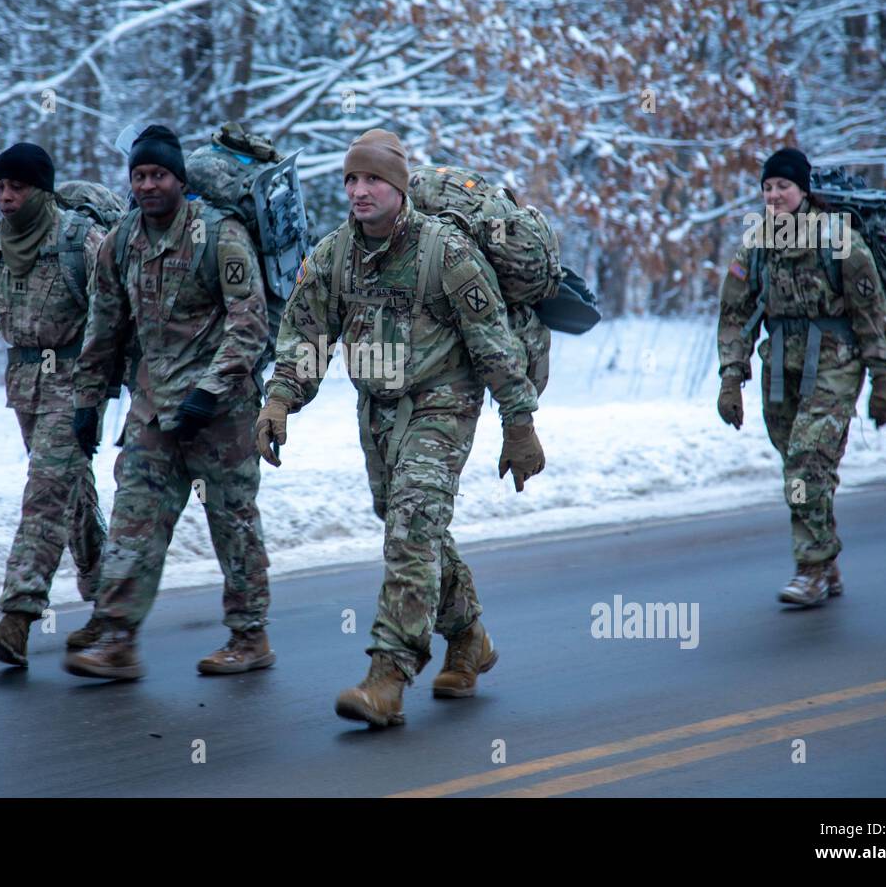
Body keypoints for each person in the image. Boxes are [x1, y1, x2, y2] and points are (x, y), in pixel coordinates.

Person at [255, 128, 545, 728]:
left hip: (445, 400)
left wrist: (519, 423)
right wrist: (279, 400)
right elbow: (308, 334)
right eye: (352, 180)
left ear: (399, 186)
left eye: (374, 180)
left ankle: (388, 675)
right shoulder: (335, 254)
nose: (360, 191)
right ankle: (469, 637)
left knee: (411, 523)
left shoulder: (446, 251)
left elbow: (493, 345)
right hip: (379, 410)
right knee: (415, 526)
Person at [63, 124, 276, 680]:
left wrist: (213, 388)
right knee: (135, 518)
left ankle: (249, 636)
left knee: (232, 522)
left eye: (159, 174)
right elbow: (103, 326)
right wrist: (89, 402)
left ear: (179, 179)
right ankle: (118, 638)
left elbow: (248, 323)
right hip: (153, 410)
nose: (149, 185)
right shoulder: (123, 241)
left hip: (221, 413)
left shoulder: (220, 234)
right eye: (140, 176)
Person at [0, 142, 109, 665]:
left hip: (77, 382)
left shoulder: (82, 240)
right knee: (71, 492)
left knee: (44, 496)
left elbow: (118, 315)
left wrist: (104, 390)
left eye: (18, 187)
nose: (7, 198)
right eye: (1, 188)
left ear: (42, 189)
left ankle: (17, 618)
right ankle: (110, 595)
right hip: (27, 387)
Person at [716, 146, 886, 606]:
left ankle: (811, 568)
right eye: (768, 187)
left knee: (806, 462)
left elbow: (870, 309)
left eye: (784, 186)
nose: (774, 195)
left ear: (804, 190)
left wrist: (881, 379)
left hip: (836, 363)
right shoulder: (757, 243)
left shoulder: (839, 239)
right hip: (780, 366)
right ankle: (827, 559)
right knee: (798, 464)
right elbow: (735, 314)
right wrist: (729, 378)